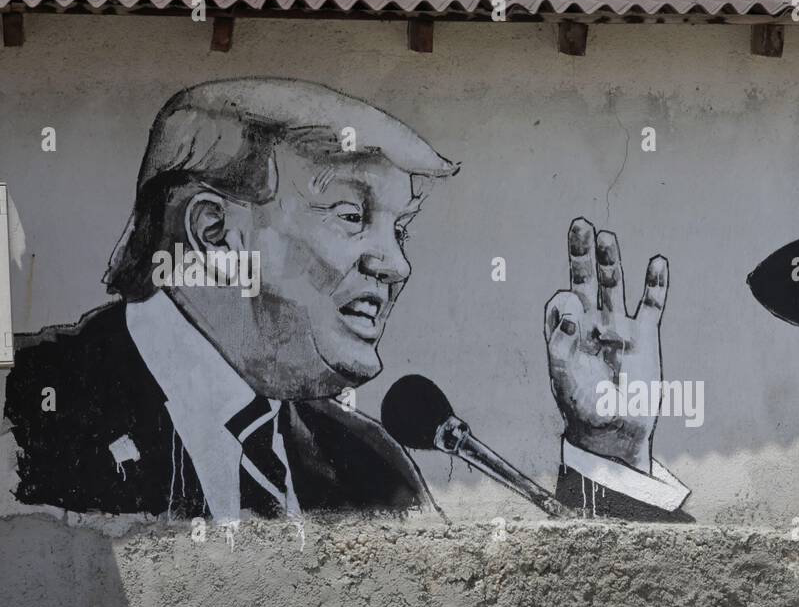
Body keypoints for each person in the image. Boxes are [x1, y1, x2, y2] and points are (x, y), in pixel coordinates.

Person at [2, 79, 689, 523]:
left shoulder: (374, 467)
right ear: (213, 233)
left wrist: (611, 448)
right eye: (350, 215)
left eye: (402, 229)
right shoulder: (27, 414)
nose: (396, 265)